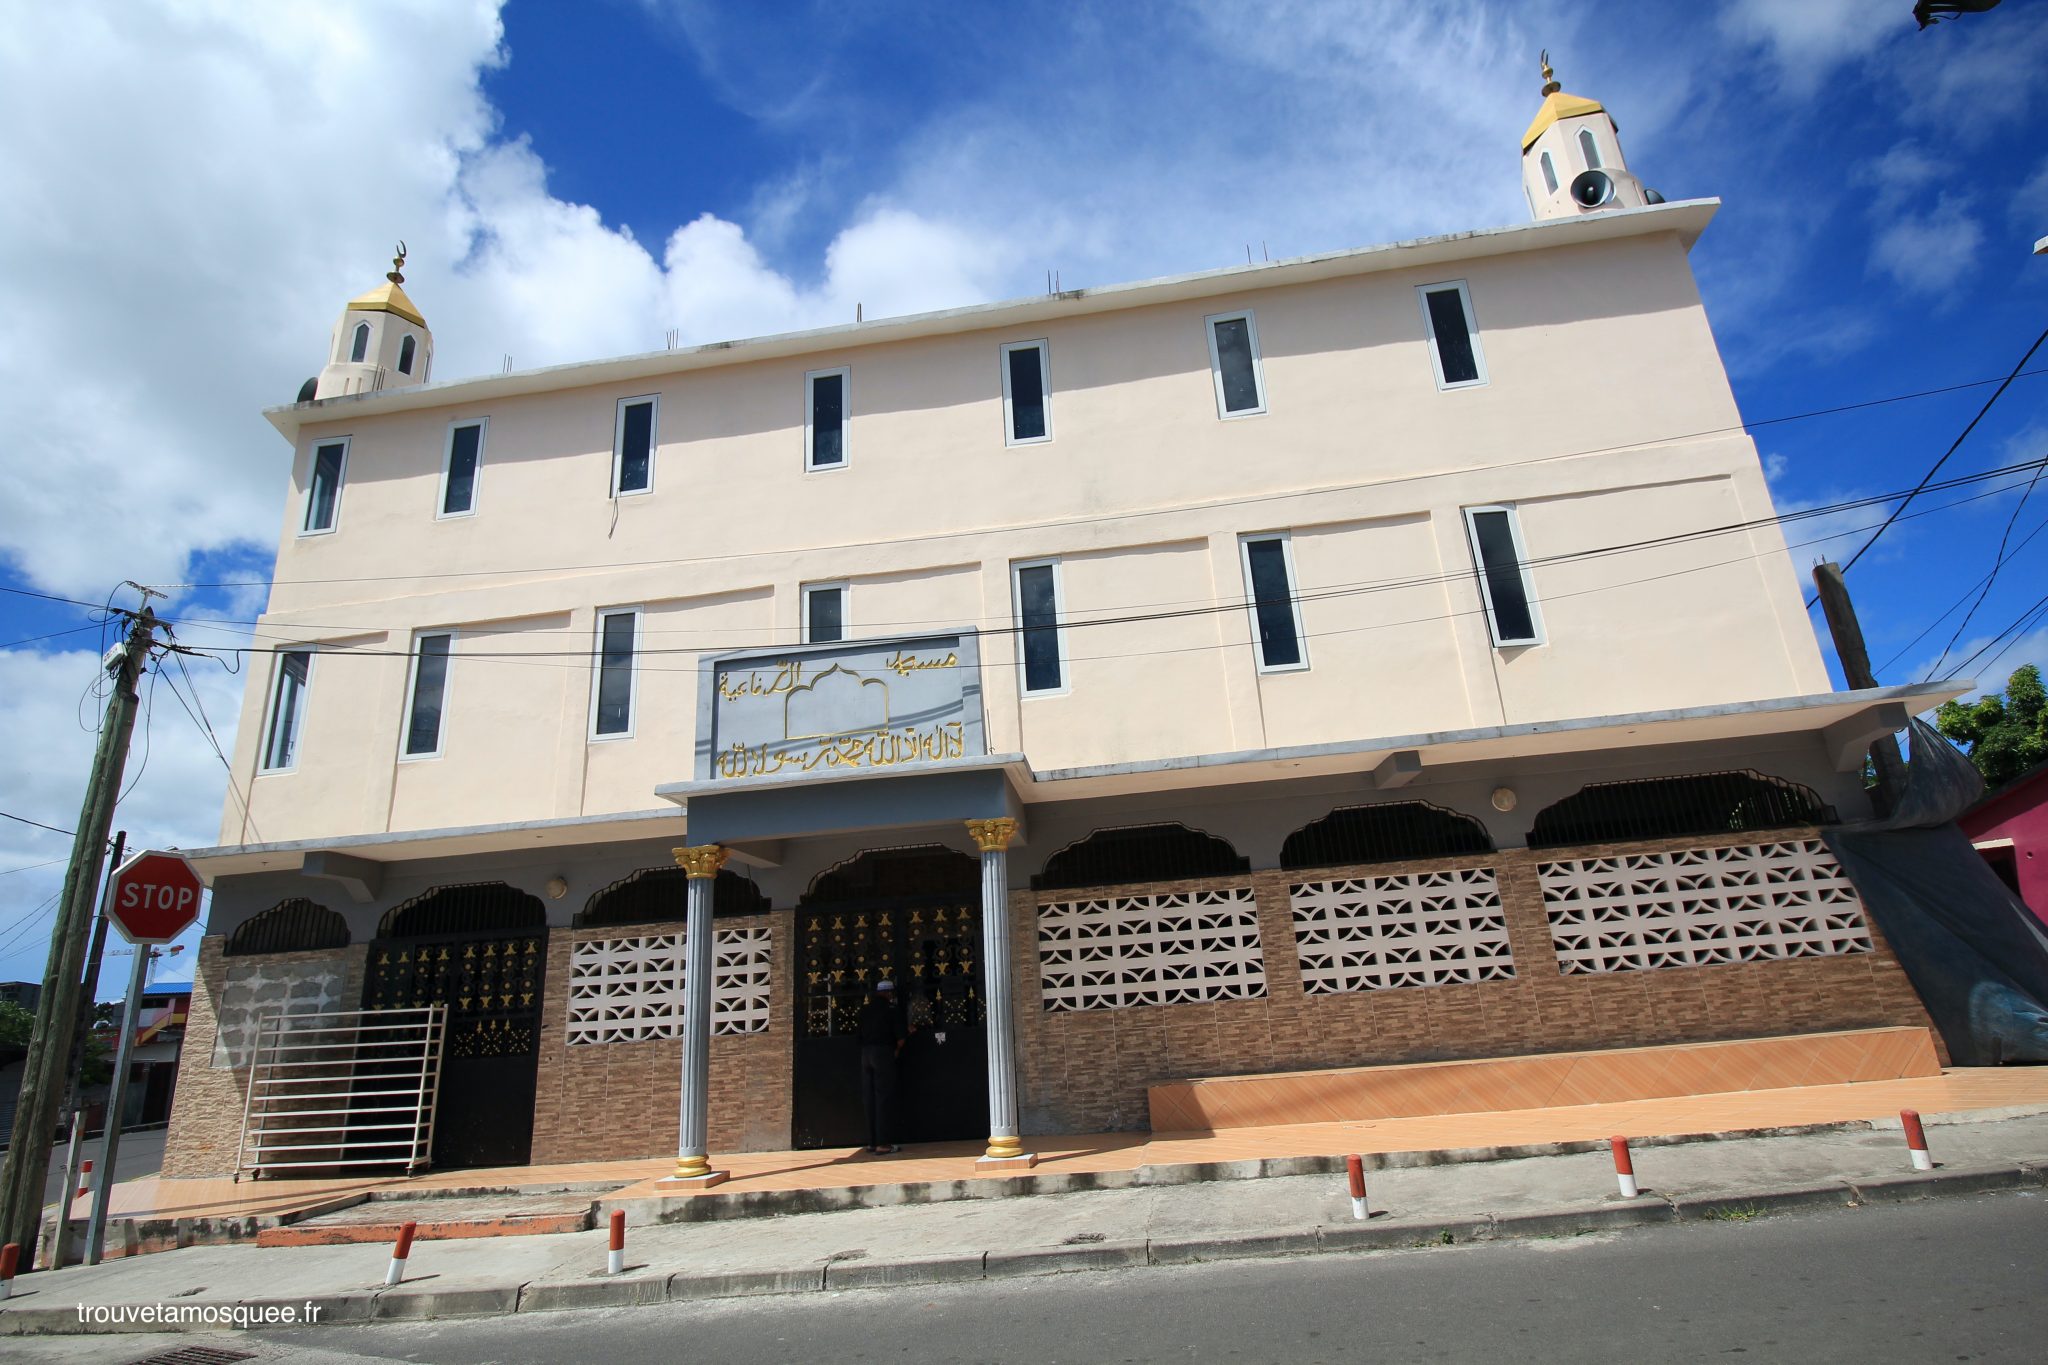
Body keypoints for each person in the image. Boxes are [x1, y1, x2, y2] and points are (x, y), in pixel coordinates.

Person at [857, 979, 907, 1154]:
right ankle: (883, 1143)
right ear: (889, 993)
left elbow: (858, 1035)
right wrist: (895, 1051)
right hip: (883, 1053)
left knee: (869, 1098)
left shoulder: (865, 1010)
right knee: (883, 1098)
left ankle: (871, 1142)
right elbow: (901, 1037)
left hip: (866, 1055)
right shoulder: (892, 1010)